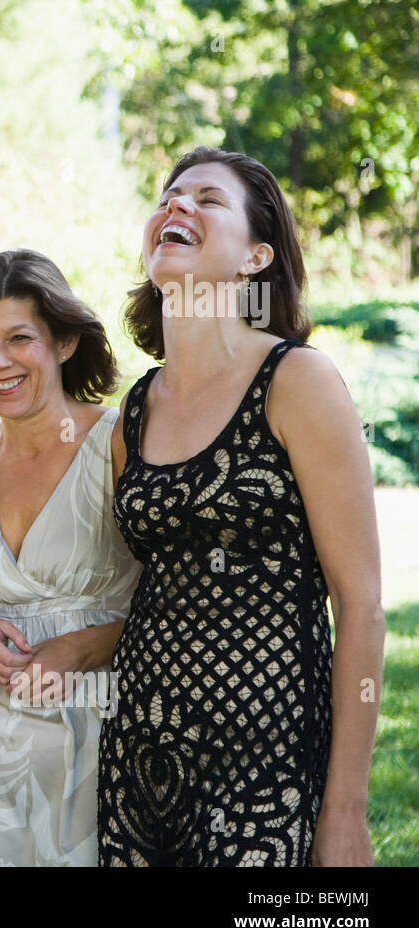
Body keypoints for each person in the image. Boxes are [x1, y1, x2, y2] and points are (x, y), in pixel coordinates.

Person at [98, 146, 384, 866]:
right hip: (141, 759)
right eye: (169, 195)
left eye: (207, 199)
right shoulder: (134, 411)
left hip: (268, 763)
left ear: (256, 258)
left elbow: (361, 602)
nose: (177, 205)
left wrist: (345, 808)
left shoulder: (298, 380)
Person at [0, 249, 140, 866]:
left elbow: (171, 600)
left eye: (19, 338)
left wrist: (82, 646)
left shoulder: (121, 442)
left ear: (65, 341)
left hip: (107, 726)